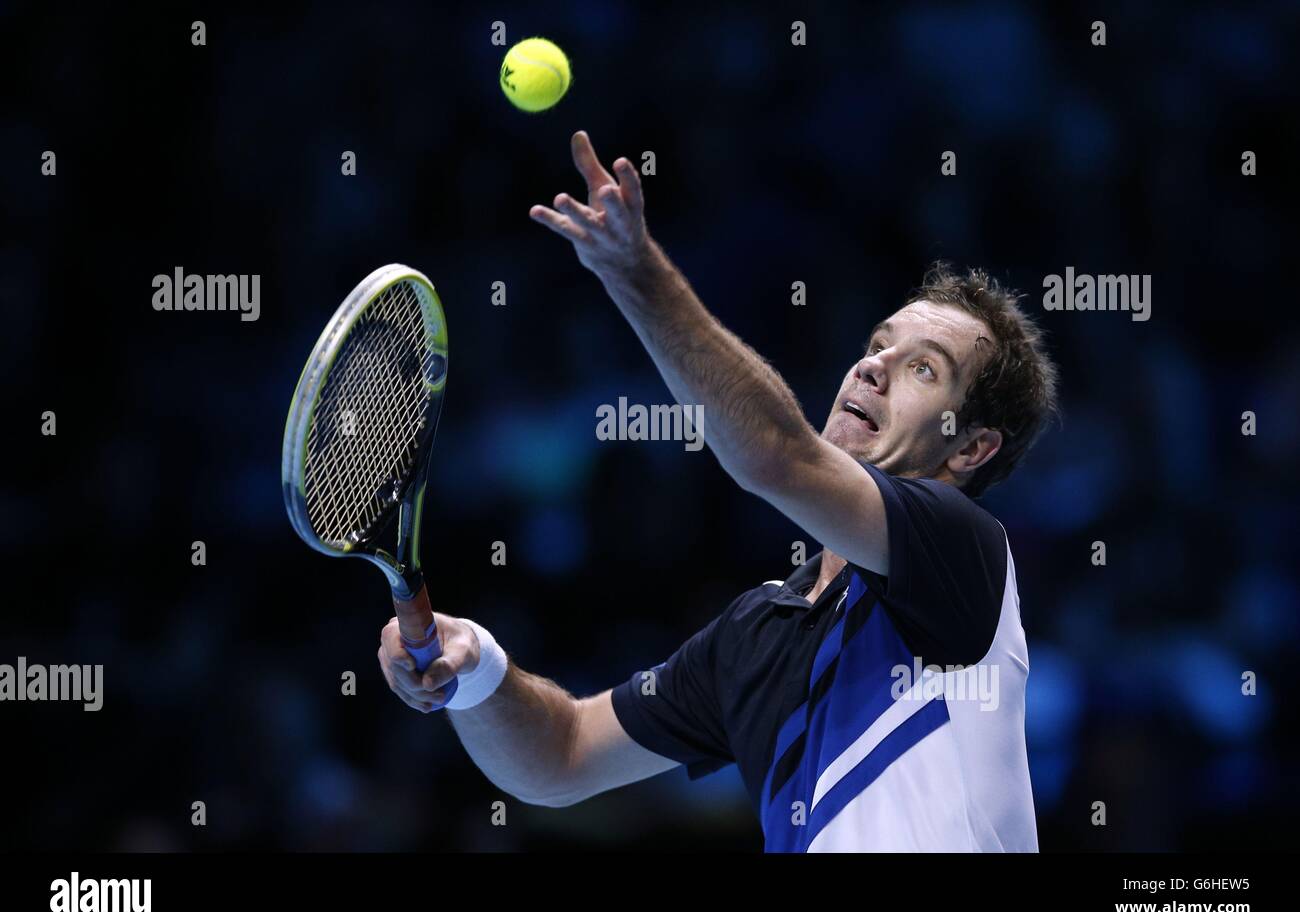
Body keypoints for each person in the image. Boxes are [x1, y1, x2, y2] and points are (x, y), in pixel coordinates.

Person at [378, 131, 1059, 852]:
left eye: (924, 370)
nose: (874, 368)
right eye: (876, 346)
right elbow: (560, 754)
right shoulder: (755, 634)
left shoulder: (962, 547)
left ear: (971, 447)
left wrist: (636, 274)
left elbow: (774, 454)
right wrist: (476, 662)